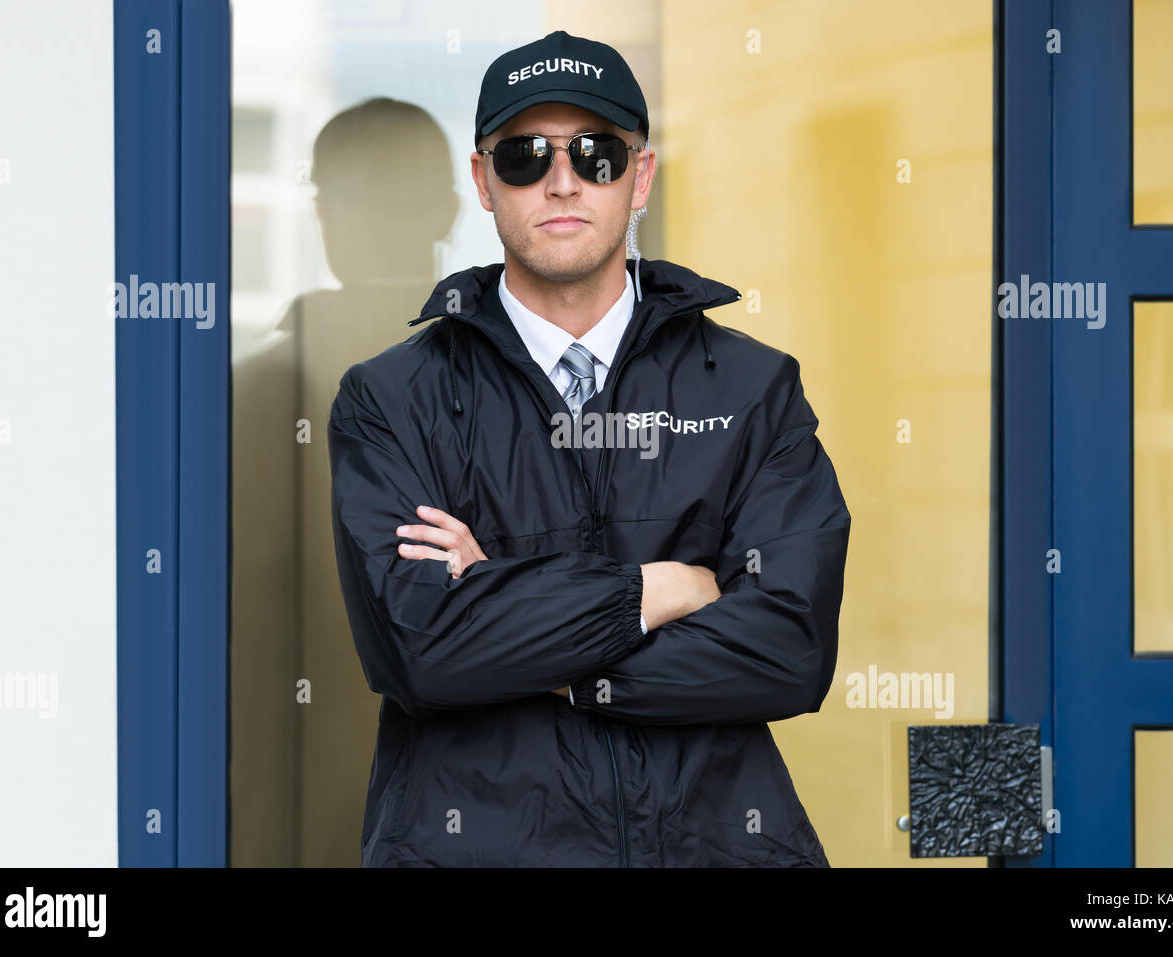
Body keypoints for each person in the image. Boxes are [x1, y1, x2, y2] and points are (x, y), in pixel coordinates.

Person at [327, 29, 851, 867]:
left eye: (597, 153)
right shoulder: (392, 401)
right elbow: (423, 650)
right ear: (482, 181)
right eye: (525, 155)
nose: (562, 180)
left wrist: (515, 626)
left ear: (640, 175)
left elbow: (787, 647)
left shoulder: (751, 390)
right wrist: (662, 588)